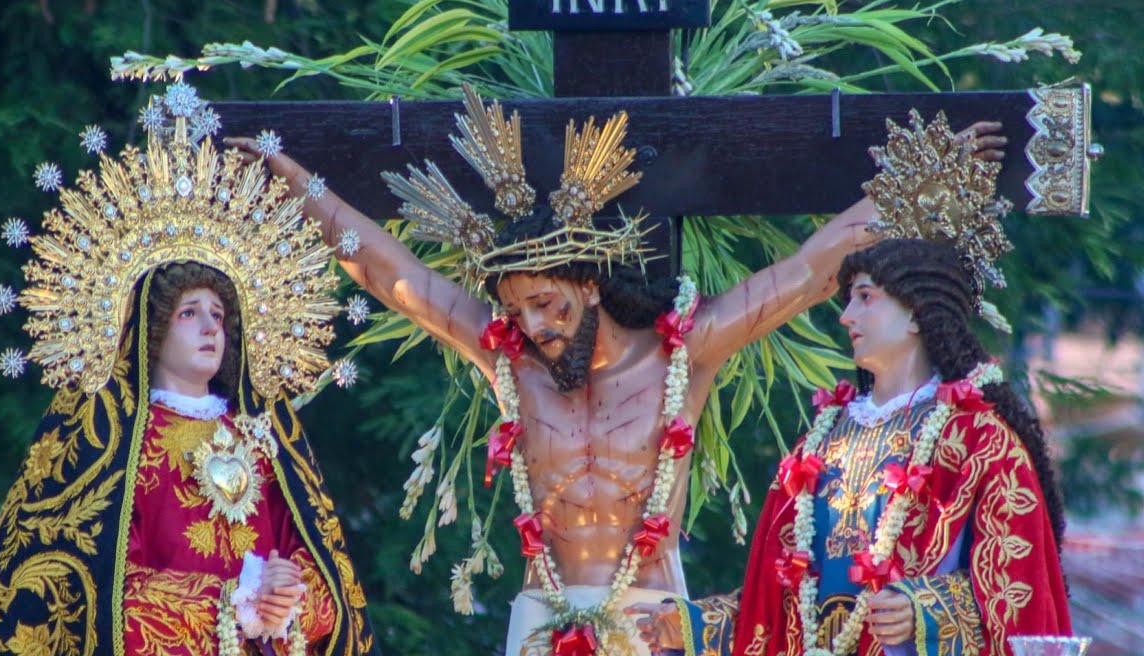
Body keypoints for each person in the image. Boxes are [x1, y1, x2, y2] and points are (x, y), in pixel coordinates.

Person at [226, 86, 1005, 655]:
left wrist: (919, 182)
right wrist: (294, 183)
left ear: (590, 285)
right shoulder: (511, 362)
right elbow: (396, 278)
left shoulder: (682, 354)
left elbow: (806, 272)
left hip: (655, 622)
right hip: (540, 616)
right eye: (520, 311)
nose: (534, 326)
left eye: (548, 305)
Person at [0, 92, 377, 656]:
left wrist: (287, 596)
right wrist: (234, 600)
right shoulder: (112, 440)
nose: (209, 329)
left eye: (219, 315)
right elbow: (91, 591)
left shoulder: (264, 436)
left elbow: (327, 575)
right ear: (152, 330)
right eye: (189, 314)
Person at [627, 229, 1072, 652]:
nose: (846, 316)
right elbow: (779, 604)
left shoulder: (978, 441)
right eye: (848, 300)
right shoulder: (820, 444)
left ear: (917, 311)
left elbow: (1021, 591)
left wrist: (928, 613)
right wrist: (697, 626)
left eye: (865, 297)